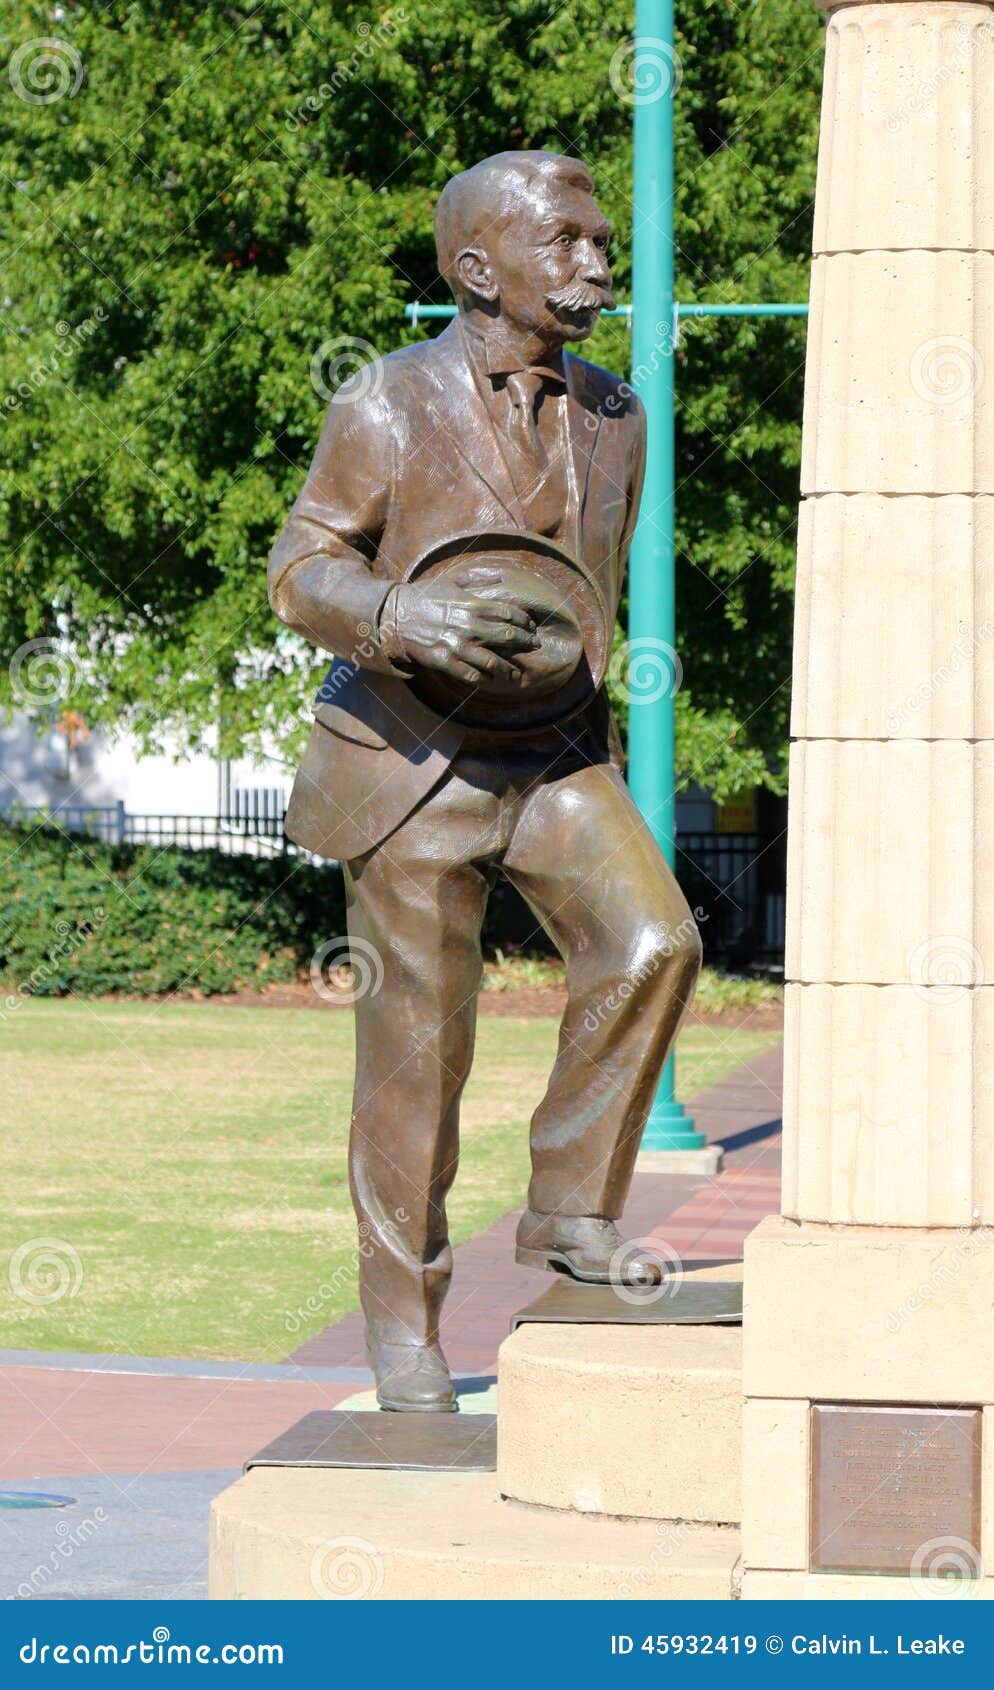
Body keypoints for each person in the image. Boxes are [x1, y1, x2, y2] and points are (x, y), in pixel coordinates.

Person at [269, 151, 702, 1412]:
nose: (594, 263)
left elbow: (587, 596)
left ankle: (570, 1211)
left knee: (652, 940)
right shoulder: (384, 402)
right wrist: (393, 613)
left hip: (553, 750)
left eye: (599, 240)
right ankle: (404, 1326)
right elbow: (301, 567)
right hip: (408, 759)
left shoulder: (618, 413)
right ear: (476, 270)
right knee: (418, 1056)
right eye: (562, 242)